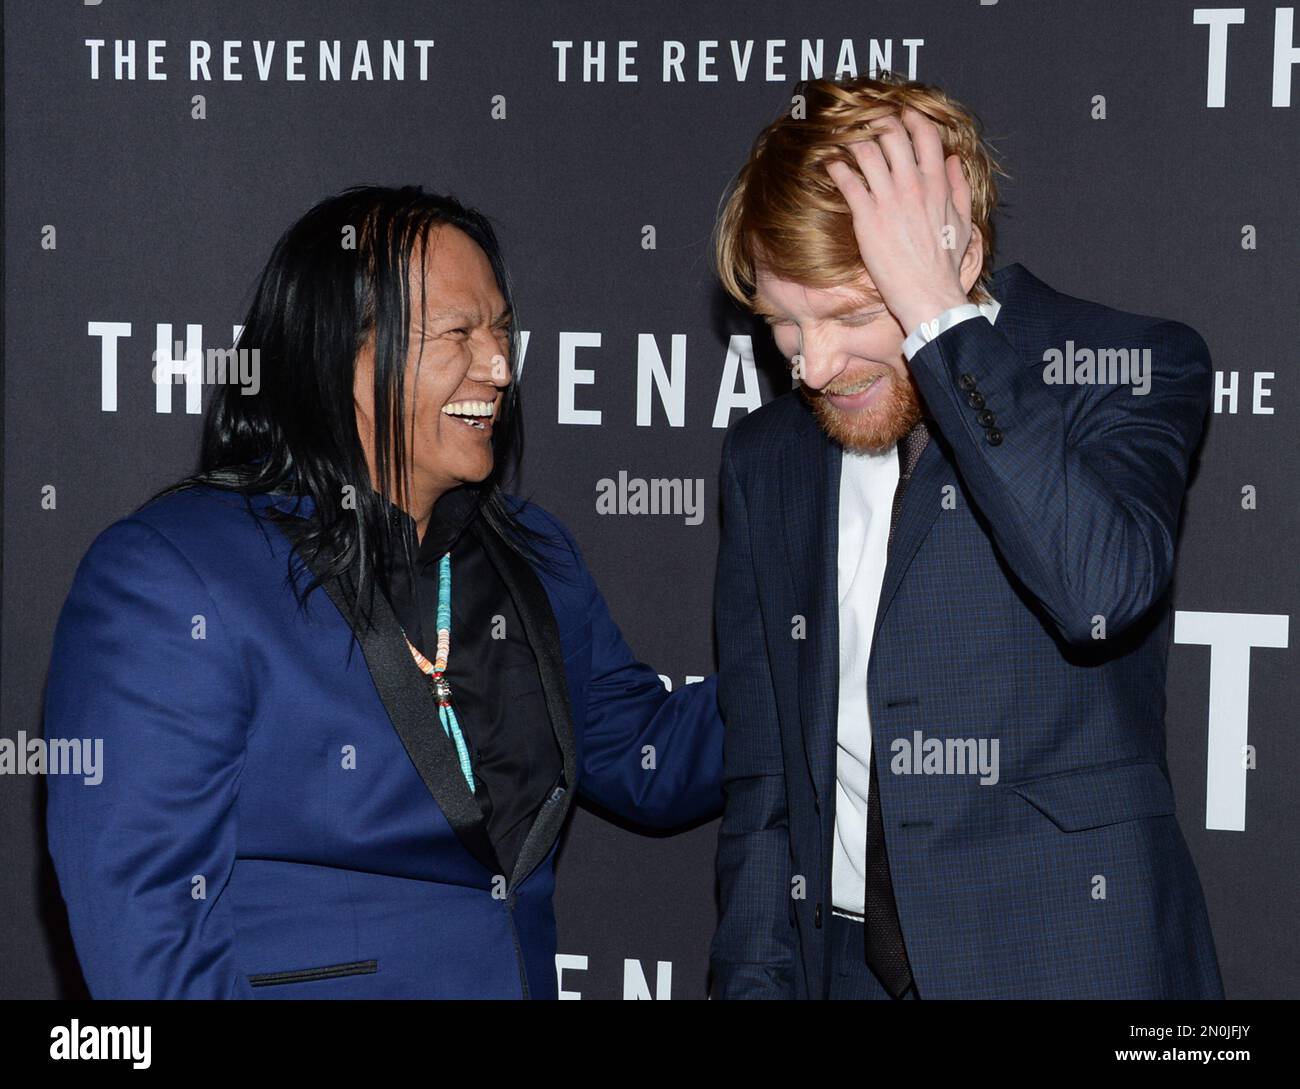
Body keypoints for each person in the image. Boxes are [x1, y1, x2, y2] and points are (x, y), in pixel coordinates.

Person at [44, 185, 723, 999]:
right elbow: (145, 946)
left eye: (503, 330)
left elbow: (650, 755)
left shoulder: (535, 559)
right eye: (459, 334)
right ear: (339, 356)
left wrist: (835, 641)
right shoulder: (172, 576)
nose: (501, 366)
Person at [708, 74, 1223, 999]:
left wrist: (940, 324)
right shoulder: (767, 458)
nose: (813, 366)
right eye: (783, 325)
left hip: (1078, 970)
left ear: (957, 252)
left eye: (854, 314)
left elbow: (1097, 589)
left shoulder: (1123, 369)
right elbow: (768, 782)